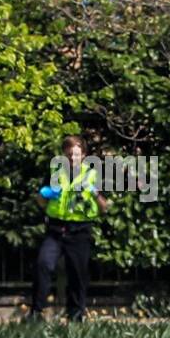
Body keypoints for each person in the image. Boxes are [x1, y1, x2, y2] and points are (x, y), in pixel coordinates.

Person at [29, 135, 108, 321]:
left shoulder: (93, 175)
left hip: (80, 231)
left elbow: (104, 208)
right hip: (56, 230)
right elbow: (40, 202)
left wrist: (94, 193)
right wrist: (44, 194)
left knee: (78, 275)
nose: (73, 158)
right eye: (69, 154)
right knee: (43, 265)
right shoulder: (55, 173)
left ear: (84, 155)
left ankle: (76, 316)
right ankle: (36, 312)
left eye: (76, 154)